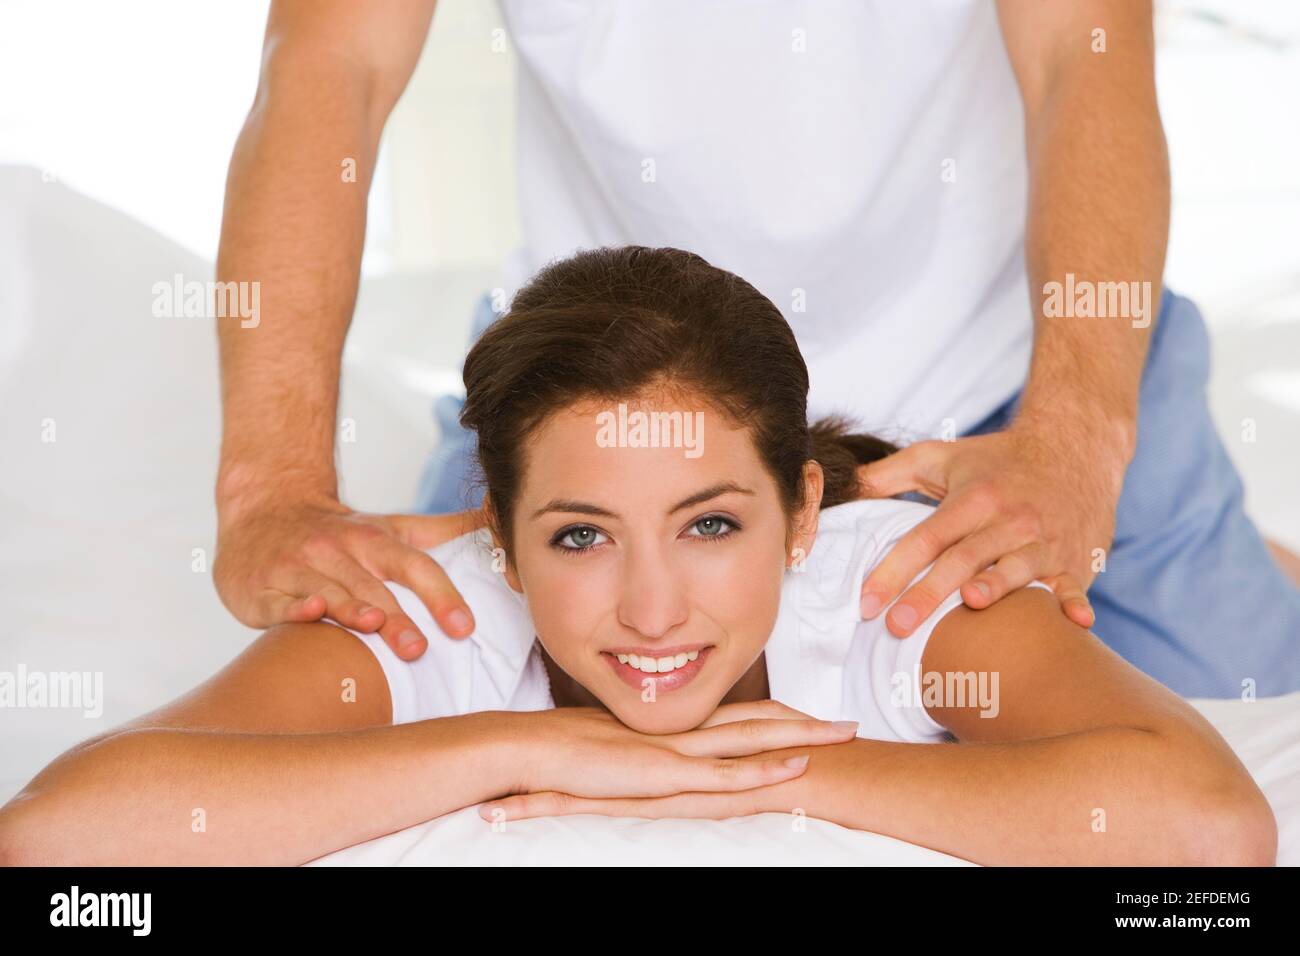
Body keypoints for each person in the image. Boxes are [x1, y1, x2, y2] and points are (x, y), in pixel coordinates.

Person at [0, 247, 1275, 866]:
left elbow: (1208, 827)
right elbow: (53, 837)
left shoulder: (895, 581)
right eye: (578, 536)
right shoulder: (435, 619)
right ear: (497, 537)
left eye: (714, 524)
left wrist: (754, 775)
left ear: (805, 512)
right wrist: (533, 745)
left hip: (1080, 435)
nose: (652, 607)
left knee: (1242, 645)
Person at [211, 0, 1300, 698]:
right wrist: (270, 485)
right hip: (596, 418)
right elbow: (327, 67)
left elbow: (1086, 48)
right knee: (388, 701)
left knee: (1244, 690)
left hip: (1015, 378)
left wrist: (1076, 436)